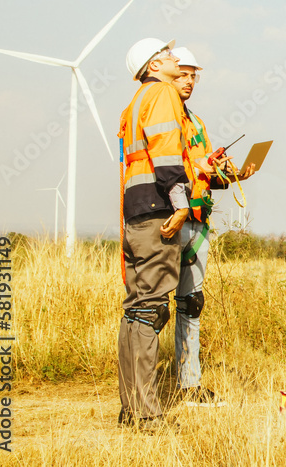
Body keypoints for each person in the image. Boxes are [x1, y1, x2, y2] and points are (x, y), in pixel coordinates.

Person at [169, 47, 255, 407]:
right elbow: (166, 171)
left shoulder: (197, 122)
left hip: (199, 220)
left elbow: (206, 176)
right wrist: (200, 167)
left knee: (192, 303)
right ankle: (146, 393)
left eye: (193, 75)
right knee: (153, 306)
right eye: (182, 74)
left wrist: (231, 174)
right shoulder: (161, 119)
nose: (189, 81)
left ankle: (189, 384)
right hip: (169, 221)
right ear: (165, 75)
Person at [117, 38, 194, 431]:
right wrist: (181, 202)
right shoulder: (163, 93)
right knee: (151, 309)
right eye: (166, 56)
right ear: (152, 66)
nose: (174, 59)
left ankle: (131, 407)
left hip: (135, 212)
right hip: (157, 211)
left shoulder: (135, 103)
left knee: (134, 310)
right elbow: (166, 152)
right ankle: (147, 414)